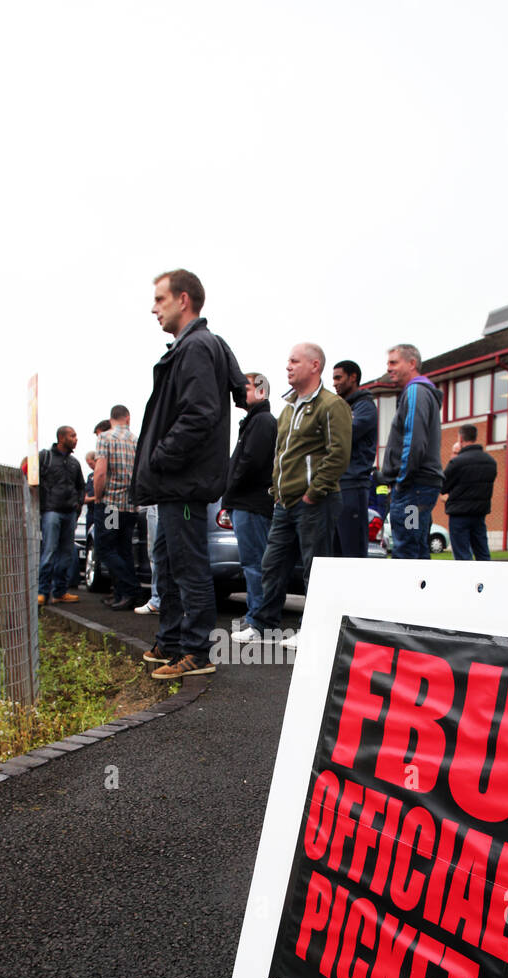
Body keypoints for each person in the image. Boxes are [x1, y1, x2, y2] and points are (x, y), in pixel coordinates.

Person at [130, 268, 246, 679]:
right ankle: (173, 642)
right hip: (175, 482)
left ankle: (197, 651)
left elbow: (200, 414)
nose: (153, 308)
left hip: (182, 481)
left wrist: (162, 455)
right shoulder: (193, 346)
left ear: (183, 300)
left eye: (159, 299)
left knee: (189, 565)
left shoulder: (197, 347)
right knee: (168, 560)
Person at [232, 342, 351, 649]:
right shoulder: (287, 409)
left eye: (295, 361)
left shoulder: (331, 405)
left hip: (316, 501)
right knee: (272, 563)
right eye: (288, 361)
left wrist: (313, 493)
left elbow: (339, 455)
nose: (288, 366)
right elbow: (280, 455)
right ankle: (262, 624)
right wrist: (276, 491)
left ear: (315, 365)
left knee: (315, 568)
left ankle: (313, 630)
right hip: (284, 503)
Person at [222, 372, 277, 628]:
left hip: (251, 503)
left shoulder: (263, 421)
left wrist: (230, 487)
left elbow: (251, 462)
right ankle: (255, 615)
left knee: (255, 563)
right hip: (245, 502)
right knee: (252, 563)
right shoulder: (253, 421)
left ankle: (259, 620)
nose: (238, 394)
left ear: (261, 391)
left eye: (244, 389)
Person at [381, 344, 444, 558]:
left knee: (408, 548)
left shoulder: (416, 391)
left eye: (394, 362)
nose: (389, 368)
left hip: (413, 489)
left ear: (412, 363)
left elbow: (415, 440)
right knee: (416, 546)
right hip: (417, 488)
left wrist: (402, 479)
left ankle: (408, 591)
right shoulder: (420, 392)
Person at [93, 405, 143, 611]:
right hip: (130, 506)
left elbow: (101, 472)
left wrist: (97, 497)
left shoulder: (105, 438)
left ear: (111, 418)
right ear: (127, 418)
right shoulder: (136, 440)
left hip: (111, 505)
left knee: (105, 548)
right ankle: (124, 593)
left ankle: (131, 590)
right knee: (124, 549)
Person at [331, 360, 378, 557]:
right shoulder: (340, 408)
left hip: (353, 484)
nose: (334, 383)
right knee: (336, 553)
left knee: (353, 553)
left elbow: (342, 434)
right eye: (333, 378)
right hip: (336, 486)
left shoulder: (365, 407)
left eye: (338, 377)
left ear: (353, 377)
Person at [37, 426, 85, 605]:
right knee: (49, 551)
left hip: (69, 512)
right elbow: (30, 473)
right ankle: (43, 592)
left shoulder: (74, 463)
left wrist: (77, 505)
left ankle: (59, 591)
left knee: (66, 554)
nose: (76, 439)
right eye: (72, 435)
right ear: (62, 438)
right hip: (51, 511)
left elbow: (80, 486)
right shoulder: (45, 457)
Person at [441, 424, 496, 561]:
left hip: (459, 514)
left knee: (462, 555)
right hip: (479, 514)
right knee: (483, 552)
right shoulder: (491, 462)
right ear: (475, 437)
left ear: (460, 438)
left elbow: (443, 486)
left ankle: (466, 581)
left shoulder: (457, 462)